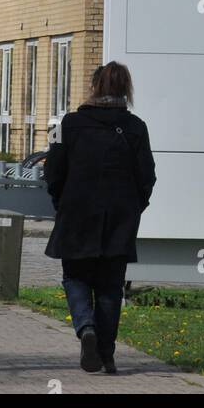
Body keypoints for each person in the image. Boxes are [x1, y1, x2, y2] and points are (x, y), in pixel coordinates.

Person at [44, 61, 155, 374]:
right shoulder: (136, 127)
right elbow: (148, 176)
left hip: (77, 213)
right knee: (109, 286)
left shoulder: (66, 124)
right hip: (119, 217)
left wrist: (60, 202)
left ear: (94, 87)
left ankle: (86, 328)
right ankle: (106, 354)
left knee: (75, 276)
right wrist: (134, 207)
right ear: (125, 90)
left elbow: (52, 171)